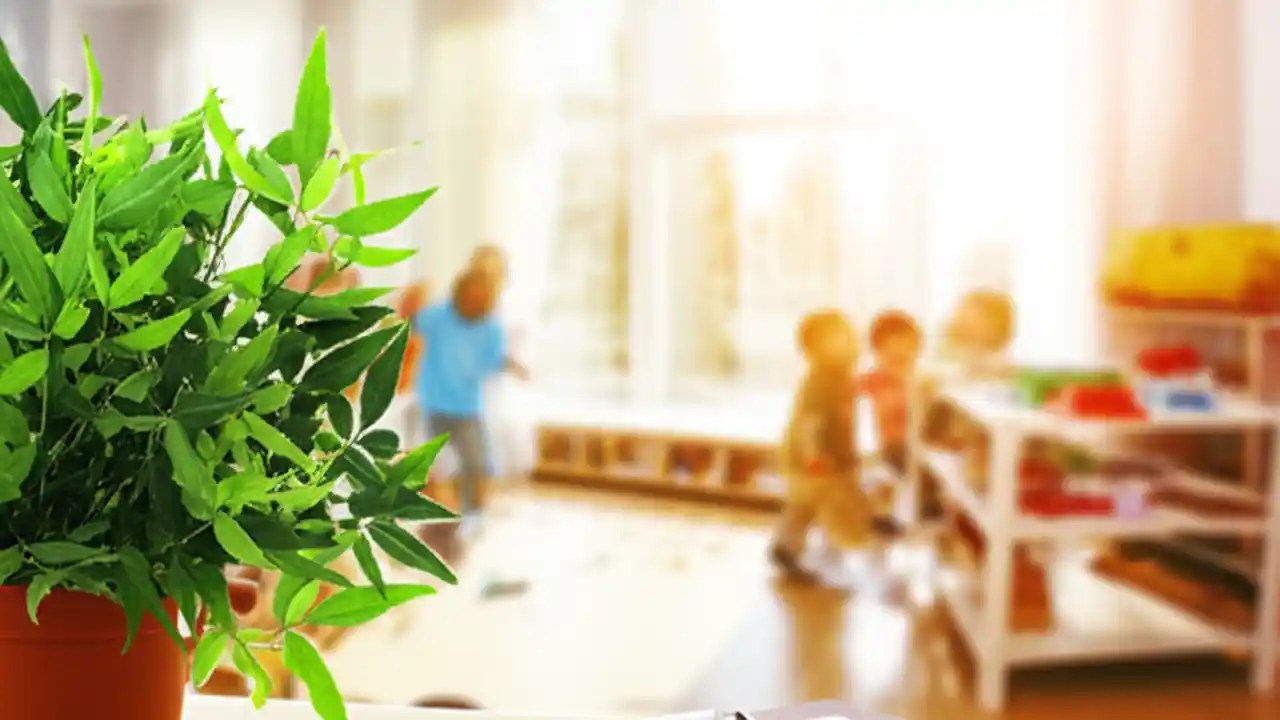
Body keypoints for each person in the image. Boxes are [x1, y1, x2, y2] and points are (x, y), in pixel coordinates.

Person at [416, 270, 528, 524]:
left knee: (477, 464)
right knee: (429, 467)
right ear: (458, 294)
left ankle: (473, 517)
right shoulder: (438, 316)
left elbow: (494, 359)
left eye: (479, 298)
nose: (472, 302)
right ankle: (429, 516)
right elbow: (408, 324)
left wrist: (515, 366)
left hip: (467, 407)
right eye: (468, 295)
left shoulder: (492, 330)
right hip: (433, 403)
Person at [770, 310, 871, 582]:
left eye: (846, 336)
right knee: (809, 505)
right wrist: (814, 454)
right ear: (813, 349)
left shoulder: (841, 376)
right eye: (833, 340)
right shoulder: (822, 380)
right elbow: (809, 423)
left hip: (826, 457)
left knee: (806, 507)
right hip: (811, 458)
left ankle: (788, 548)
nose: (846, 343)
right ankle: (789, 550)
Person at [859, 310, 922, 475]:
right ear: (878, 354)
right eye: (891, 358)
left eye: (905, 359)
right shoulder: (874, 379)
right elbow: (846, 389)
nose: (897, 367)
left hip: (922, 444)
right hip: (895, 448)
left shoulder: (920, 379)